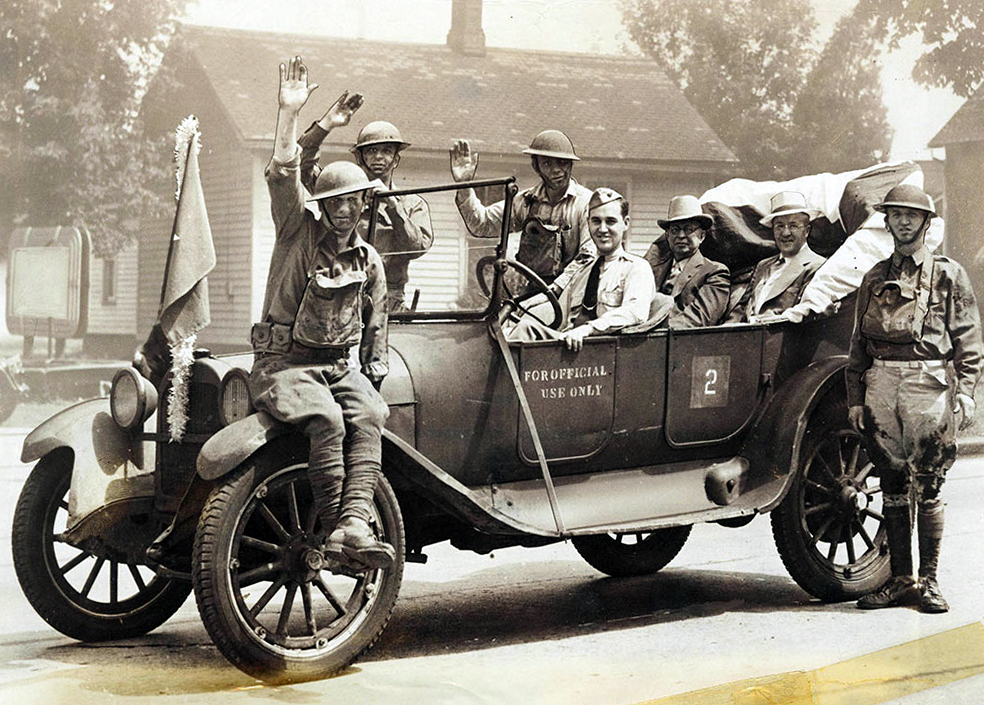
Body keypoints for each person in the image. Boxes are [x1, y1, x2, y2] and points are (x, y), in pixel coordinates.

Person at [251, 56, 394, 570]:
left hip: (337, 367)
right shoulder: (296, 229)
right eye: (335, 201)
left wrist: (374, 371)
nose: (345, 210)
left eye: (354, 201)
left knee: (372, 413)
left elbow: (376, 325)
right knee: (328, 421)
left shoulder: (369, 259)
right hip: (284, 366)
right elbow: (283, 170)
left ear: (363, 204)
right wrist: (291, 114)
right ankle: (336, 532)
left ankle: (356, 523)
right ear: (322, 204)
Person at [847, 183, 982, 613]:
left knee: (929, 482)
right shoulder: (873, 277)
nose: (903, 221)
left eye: (912, 214)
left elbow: (969, 341)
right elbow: (857, 346)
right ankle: (900, 581)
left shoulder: (948, 275)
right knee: (891, 480)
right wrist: (855, 396)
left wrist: (966, 393)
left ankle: (930, 581)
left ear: (926, 222)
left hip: (928, 382)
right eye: (895, 214)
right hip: (881, 382)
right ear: (886, 222)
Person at [300, 105, 434, 313]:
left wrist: (391, 204)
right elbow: (301, 165)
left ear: (396, 159)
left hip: (389, 300)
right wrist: (325, 126)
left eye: (387, 151)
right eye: (371, 151)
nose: (379, 157)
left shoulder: (412, 204)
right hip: (338, 294)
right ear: (360, 158)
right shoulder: (338, 190)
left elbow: (415, 248)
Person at [507, 188, 655, 350]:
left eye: (611, 221)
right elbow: (559, 313)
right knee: (514, 331)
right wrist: (520, 312)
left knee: (523, 331)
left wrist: (588, 329)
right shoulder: (582, 271)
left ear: (625, 223)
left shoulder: (637, 268)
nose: (603, 229)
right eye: (596, 221)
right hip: (571, 348)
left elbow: (634, 312)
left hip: (603, 350)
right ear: (588, 222)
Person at [450, 130, 596, 292]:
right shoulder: (526, 202)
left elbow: (588, 257)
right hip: (536, 292)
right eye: (547, 164)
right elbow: (481, 224)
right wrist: (464, 185)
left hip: (576, 294)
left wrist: (555, 289)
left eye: (562, 162)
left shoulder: (586, 204)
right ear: (536, 166)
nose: (556, 170)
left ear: (570, 164)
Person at [728, 191, 826, 323]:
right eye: (779, 226)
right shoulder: (763, 265)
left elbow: (807, 317)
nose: (785, 233)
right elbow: (741, 308)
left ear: (807, 231)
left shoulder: (818, 266)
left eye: (793, 226)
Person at [644, 195, 730, 328]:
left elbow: (700, 317)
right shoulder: (653, 270)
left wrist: (654, 331)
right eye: (675, 230)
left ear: (702, 236)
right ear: (667, 236)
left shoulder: (715, 272)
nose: (681, 235)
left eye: (689, 229)